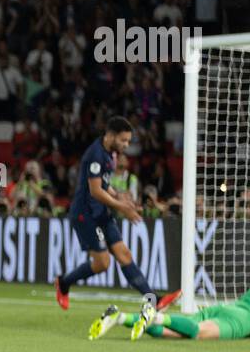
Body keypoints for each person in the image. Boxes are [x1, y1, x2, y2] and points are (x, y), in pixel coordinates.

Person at [54, 116, 179, 312]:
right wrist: (122, 207)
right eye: (123, 140)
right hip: (85, 214)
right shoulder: (95, 155)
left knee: (124, 254)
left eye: (128, 141)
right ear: (110, 136)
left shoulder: (110, 154)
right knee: (103, 263)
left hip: (100, 210)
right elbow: (95, 190)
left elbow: (104, 184)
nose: (126, 145)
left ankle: (153, 299)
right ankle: (63, 283)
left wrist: (119, 196)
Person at [90, 263, 250, 342]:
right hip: (246, 320)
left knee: (177, 332)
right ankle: (155, 316)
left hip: (228, 307)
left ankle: (120, 317)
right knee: (197, 334)